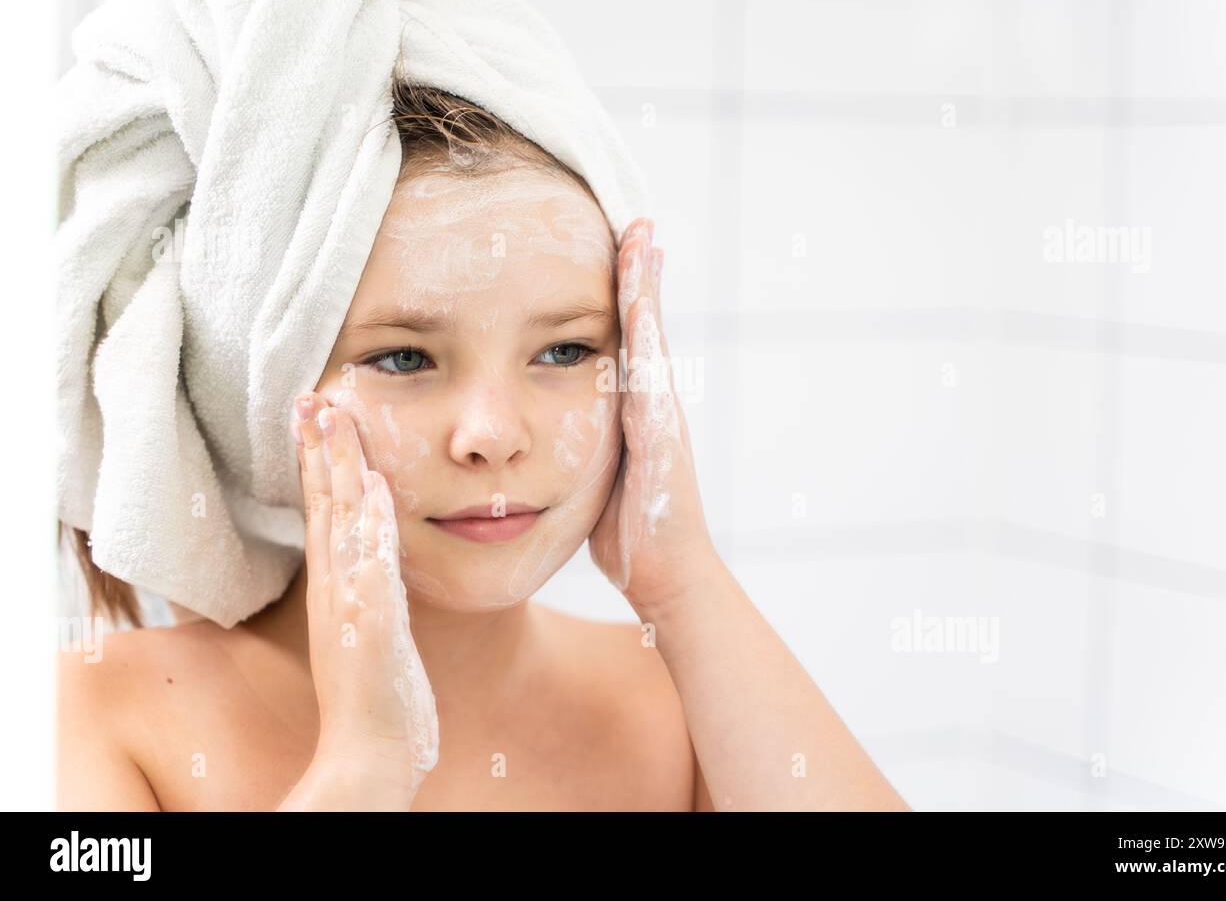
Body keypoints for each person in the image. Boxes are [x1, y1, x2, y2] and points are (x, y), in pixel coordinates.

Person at [57, 80, 910, 811]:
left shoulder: (678, 696)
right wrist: (362, 766)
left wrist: (682, 583)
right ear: (266, 389)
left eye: (565, 350)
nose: (494, 435)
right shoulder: (97, 717)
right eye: (403, 358)